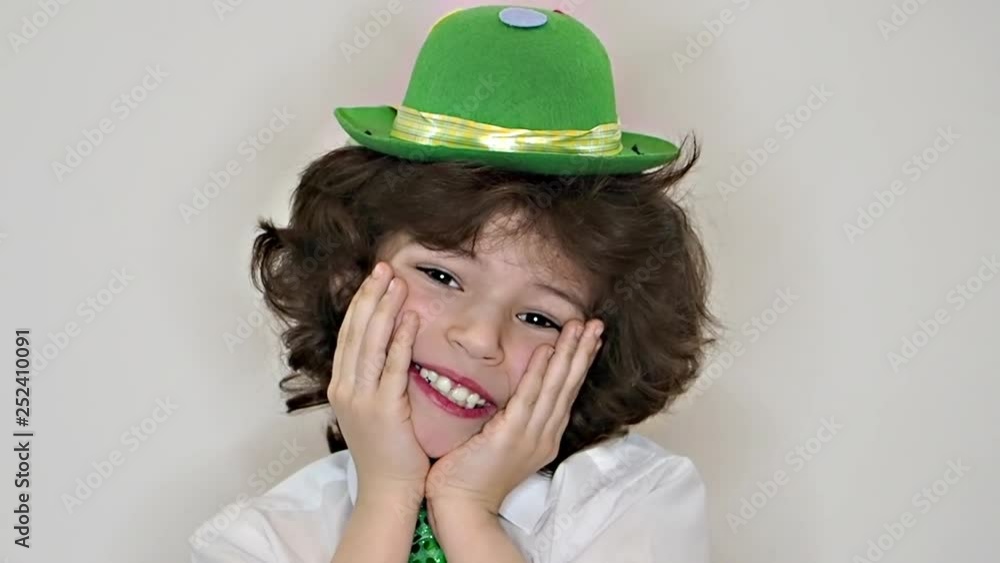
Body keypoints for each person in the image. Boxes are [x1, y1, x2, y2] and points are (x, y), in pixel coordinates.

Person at [191, 5, 716, 562]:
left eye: (539, 318)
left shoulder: (634, 501)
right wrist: (387, 497)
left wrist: (467, 509)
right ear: (350, 280)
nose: (480, 339)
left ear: (597, 348)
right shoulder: (260, 541)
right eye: (441, 275)